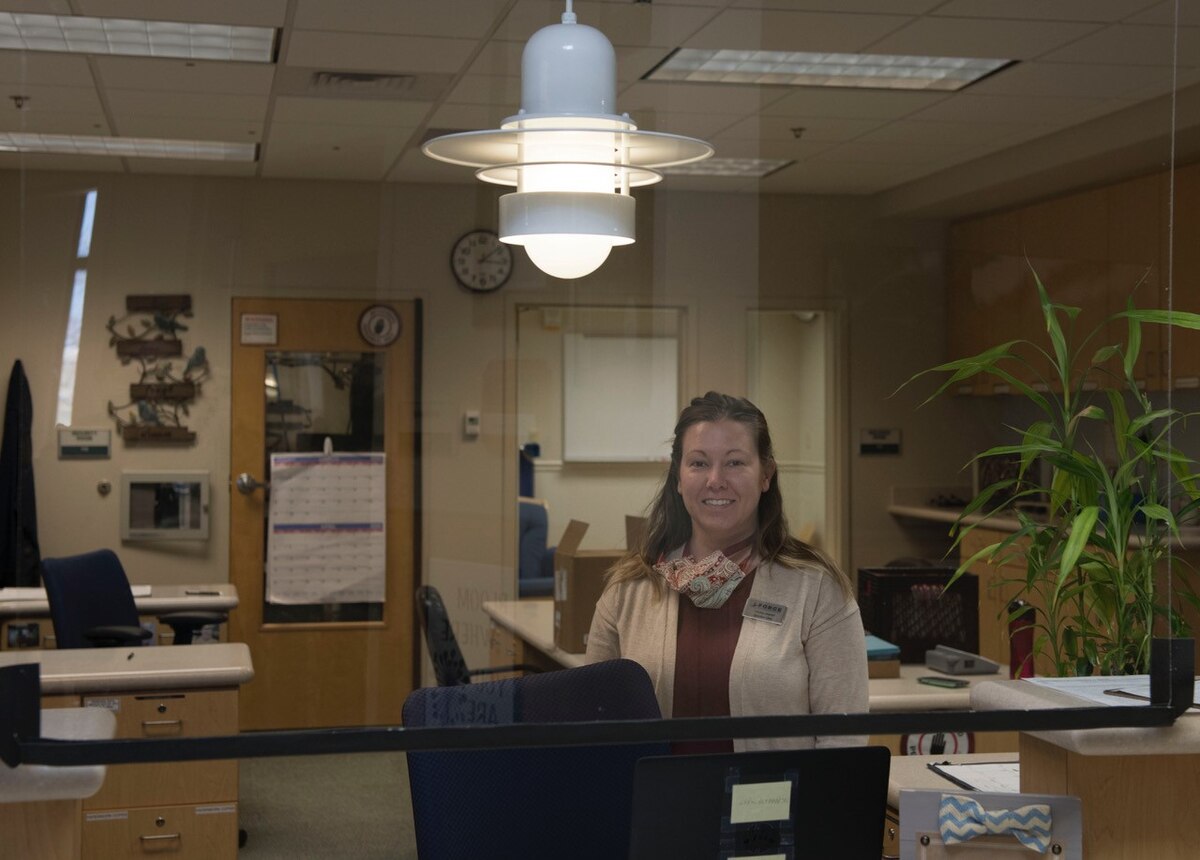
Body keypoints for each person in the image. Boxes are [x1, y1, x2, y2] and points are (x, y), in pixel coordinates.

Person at [585, 391, 868, 751]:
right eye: (699, 463)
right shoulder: (628, 590)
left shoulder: (816, 590)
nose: (715, 479)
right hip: (655, 789)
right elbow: (592, 728)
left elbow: (842, 741)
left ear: (766, 474)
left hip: (777, 791)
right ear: (678, 477)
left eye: (735, 462)